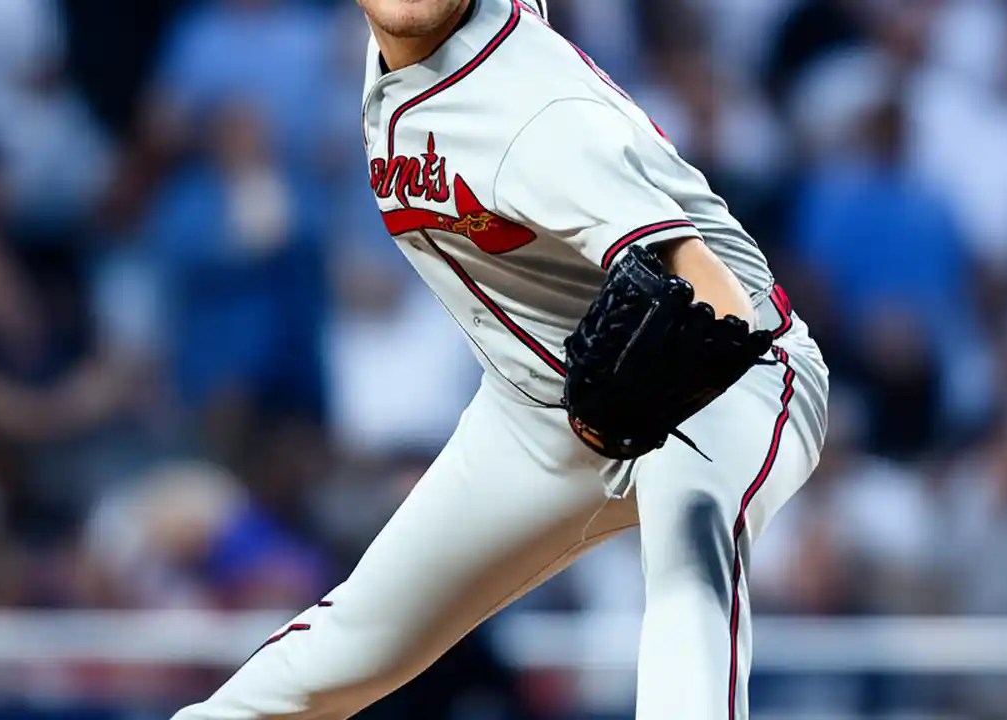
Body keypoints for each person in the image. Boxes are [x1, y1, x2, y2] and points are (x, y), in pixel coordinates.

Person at [174, 1, 828, 718]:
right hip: (538, 404)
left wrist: (649, 414)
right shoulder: (402, 44)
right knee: (349, 646)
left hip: (726, 376)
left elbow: (714, 300)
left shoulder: (534, 107)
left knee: (687, 562)